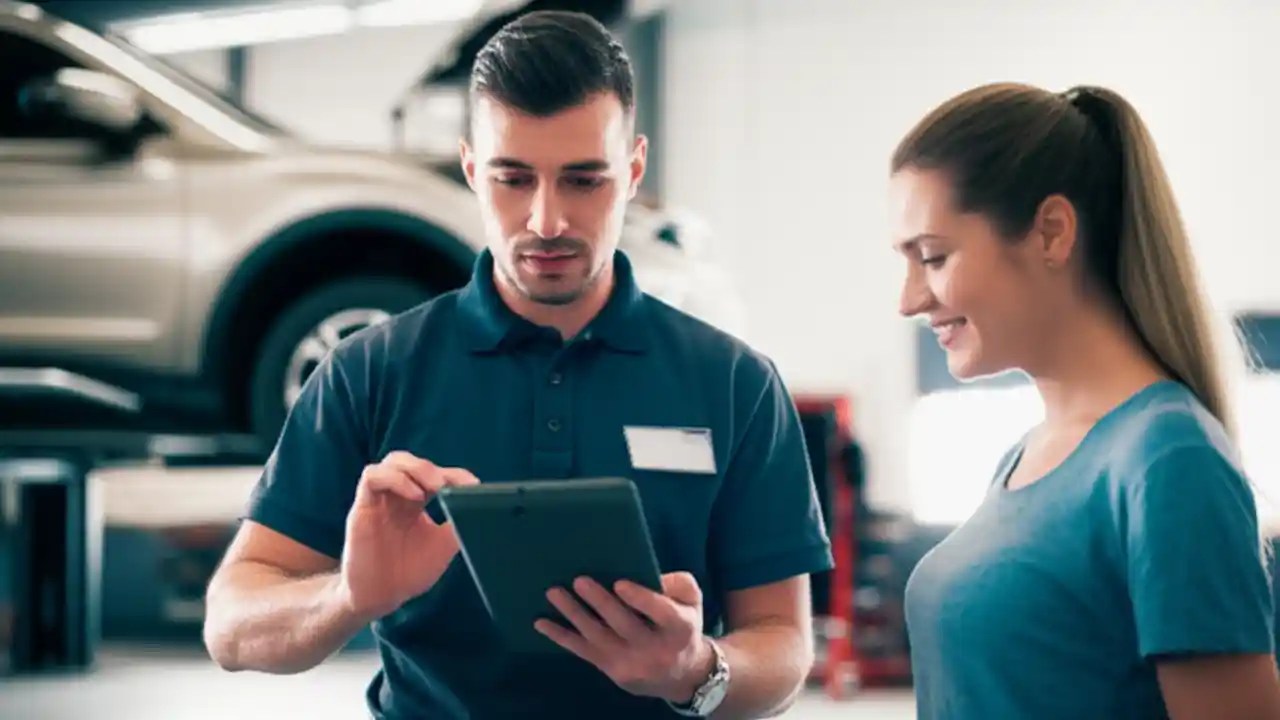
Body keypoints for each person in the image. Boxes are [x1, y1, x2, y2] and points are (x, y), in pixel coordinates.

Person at [202, 10, 833, 719]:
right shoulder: (367, 372)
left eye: (583, 180)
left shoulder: (735, 384)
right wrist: (351, 595)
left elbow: (784, 644)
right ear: (471, 168)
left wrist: (695, 668)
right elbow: (231, 626)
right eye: (513, 178)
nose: (546, 221)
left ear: (633, 170)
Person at [890, 81, 1280, 719]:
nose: (908, 299)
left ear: (1050, 232)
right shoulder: (1025, 457)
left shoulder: (1169, 457)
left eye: (932, 257)